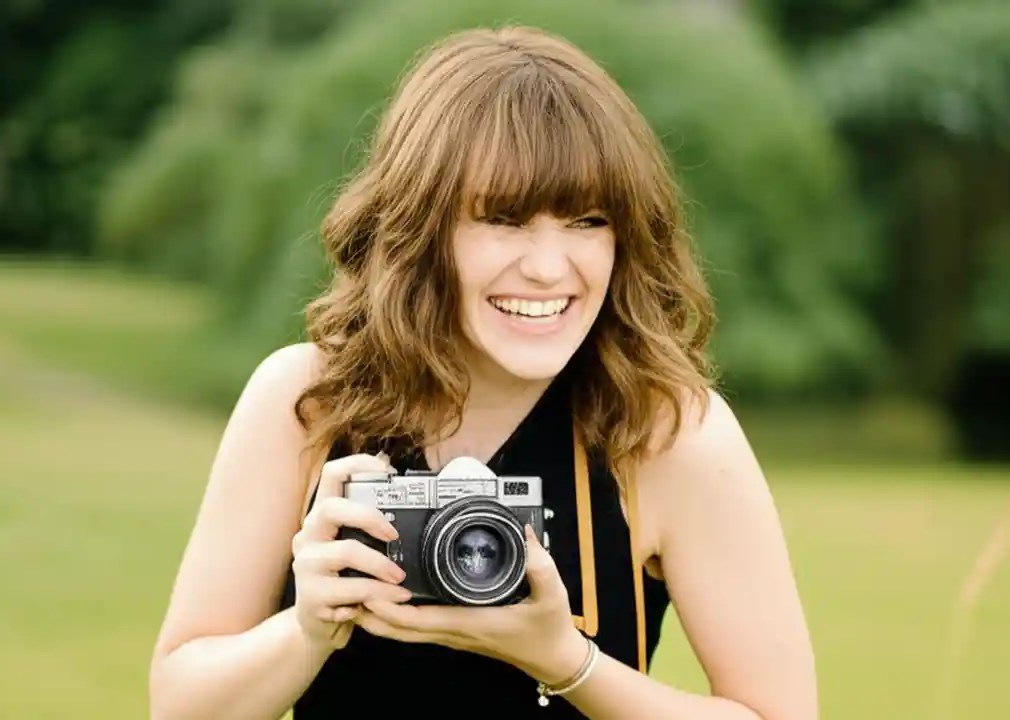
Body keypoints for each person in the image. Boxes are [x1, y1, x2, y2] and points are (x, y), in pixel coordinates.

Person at [148, 24, 817, 720]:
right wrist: (306, 629)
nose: (550, 267)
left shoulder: (667, 434)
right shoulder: (308, 402)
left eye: (588, 220)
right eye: (504, 218)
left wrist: (565, 659)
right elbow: (179, 706)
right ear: (419, 225)